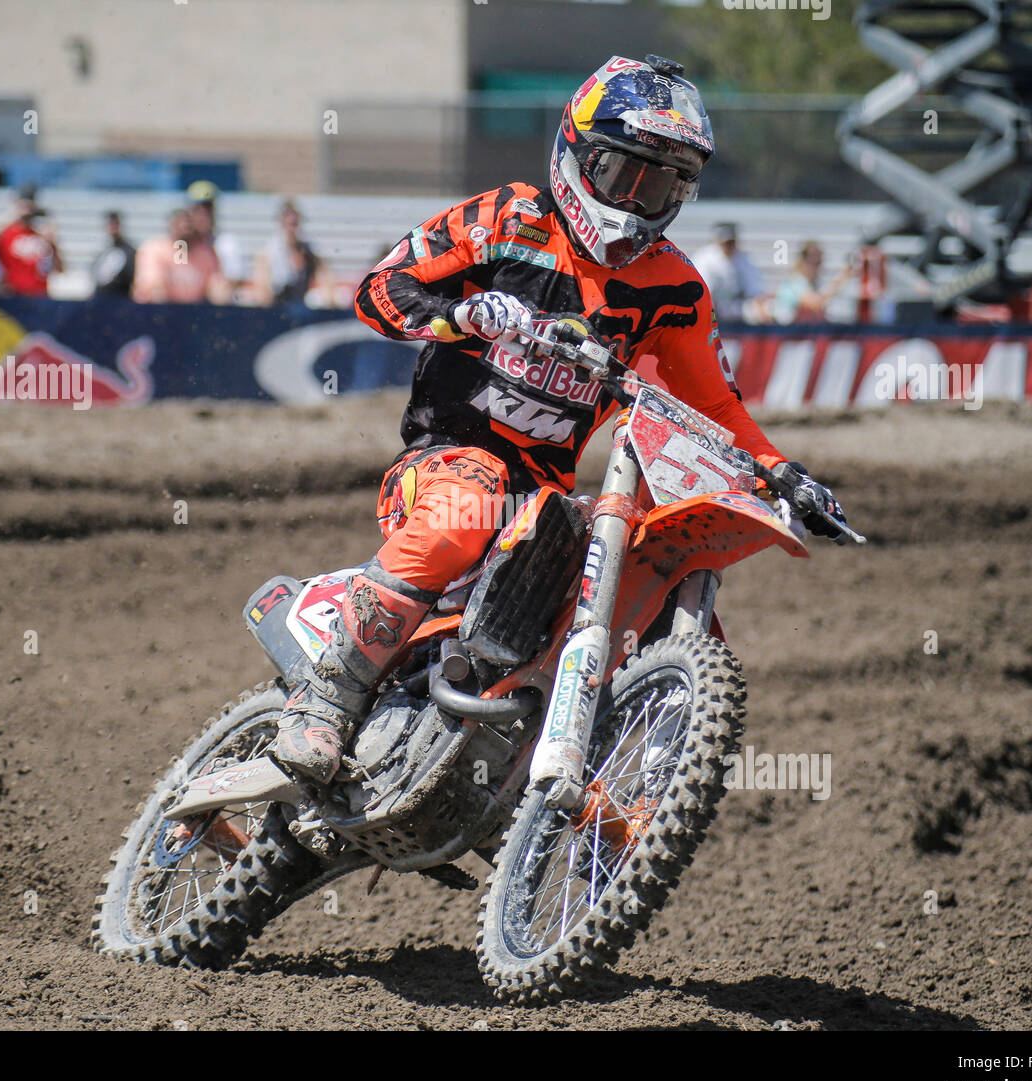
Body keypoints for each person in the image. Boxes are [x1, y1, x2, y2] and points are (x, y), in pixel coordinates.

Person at [269, 55, 849, 786]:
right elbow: (379, 290)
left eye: (663, 183)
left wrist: (783, 473)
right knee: (465, 509)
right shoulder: (506, 218)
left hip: (547, 493)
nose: (638, 200)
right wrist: (462, 314)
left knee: (631, 562)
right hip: (446, 457)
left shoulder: (673, 287)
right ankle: (325, 699)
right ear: (578, 154)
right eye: (624, 175)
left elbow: (717, 403)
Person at [133, 207, 227, 303]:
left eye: (188, 225)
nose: (184, 228)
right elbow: (153, 287)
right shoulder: (154, 249)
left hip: (196, 310)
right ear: (172, 226)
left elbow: (217, 286)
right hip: (160, 309)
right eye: (180, 224)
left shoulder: (206, 253)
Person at [252, 198, 330, 307]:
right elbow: (262, 291)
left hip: (301, 306)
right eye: (288, 224)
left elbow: (325, 278)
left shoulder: (308, 252)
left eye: (295, 224)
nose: (291, 229)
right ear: (281, 224)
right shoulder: (269, 253)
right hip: (277, 307)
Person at [0, 186, 63, 297]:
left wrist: (52, 243)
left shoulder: (41, 235)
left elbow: (59, 269)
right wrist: (13, 216)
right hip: (13, 295)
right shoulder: (5, 233)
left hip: (38, 295)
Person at [693, 221, 766, 323]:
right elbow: (703, 294)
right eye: (726, 242)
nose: (729, 245)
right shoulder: (705, 258)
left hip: (737, 310)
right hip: (712, 309)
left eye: (731, 242)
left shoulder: (744, 259)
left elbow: (754, 292)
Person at [186, 181, 248, 299]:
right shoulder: (181, 244)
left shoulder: (228, 243)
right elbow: (178, 272)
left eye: (207, 210)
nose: (202, 216)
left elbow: (234, 279)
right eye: (197, 210)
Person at [774, 240, 854, 323]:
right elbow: (815, 303)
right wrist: (841, 278)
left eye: (819, 262)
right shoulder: (792, 283)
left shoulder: (815, 284)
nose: (816, 267)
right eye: (813, 262)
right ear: (802, 261)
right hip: (788, 333)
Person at [91, 210, 136, 298]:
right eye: (110, 224)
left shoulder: (129, 251)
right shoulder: (105, 250)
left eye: (115, 224)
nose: (112, 227)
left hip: (119, 299)